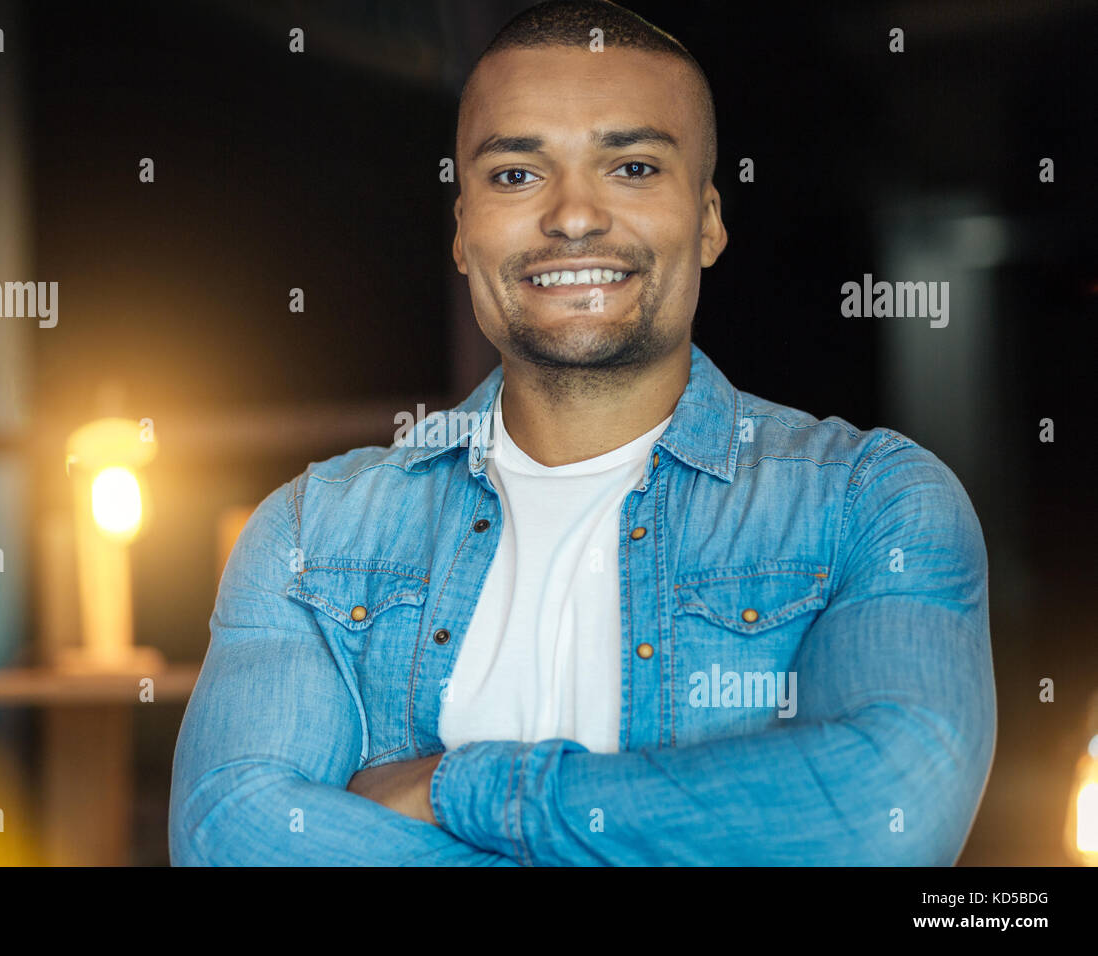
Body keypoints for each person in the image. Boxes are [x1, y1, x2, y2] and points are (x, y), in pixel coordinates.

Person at [169, 0, 995, 866]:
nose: (571, 216)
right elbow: (228, 833)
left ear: (709, 220)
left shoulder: (875, 504)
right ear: (462, 232)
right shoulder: (312, 534)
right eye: (516, 175)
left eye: (632, 167)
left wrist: (461, 789)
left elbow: (879, 818)